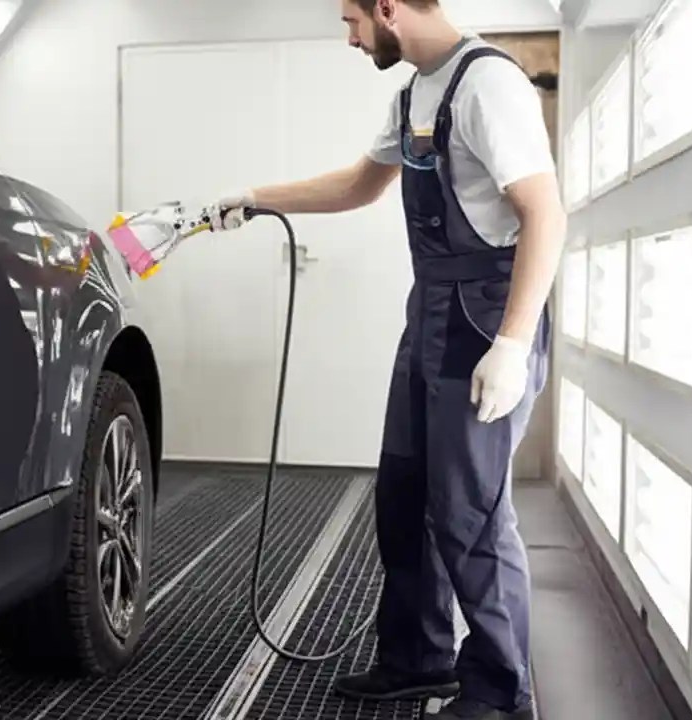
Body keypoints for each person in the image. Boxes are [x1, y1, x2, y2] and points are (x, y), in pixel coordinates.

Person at [208, 1, 566, 718]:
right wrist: (253, 198)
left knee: (470, 514)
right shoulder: (413, 92)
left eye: (351, 19)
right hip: (430, 311)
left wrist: (514, 344)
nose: (348, 37)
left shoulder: (488, 84)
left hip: (486, 319)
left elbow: (546, 213)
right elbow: (357, 184)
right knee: (404, 497)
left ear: (390, 9)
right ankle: (417, 658)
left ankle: (501, 695)